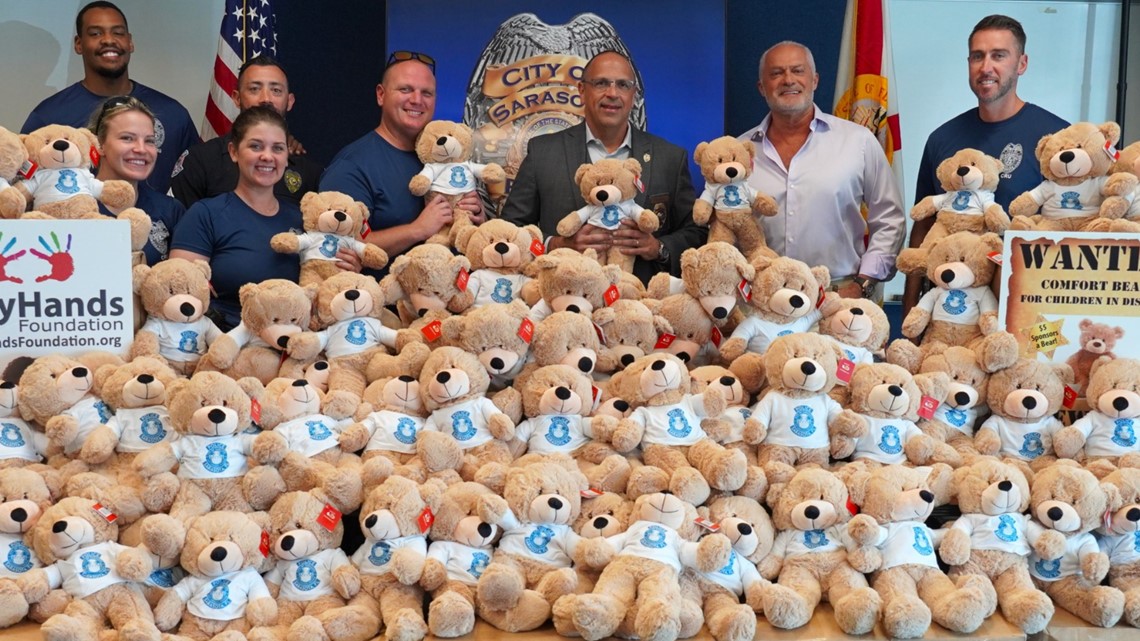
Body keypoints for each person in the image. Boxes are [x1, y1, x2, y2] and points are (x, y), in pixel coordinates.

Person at [903, 14, 1068, 314]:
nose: (985, 67)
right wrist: (909, 306)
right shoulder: (943, 138)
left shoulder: (1056, 140)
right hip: (948, 308)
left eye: (998, 56)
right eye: (977, 56)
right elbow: (923, 226)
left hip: (1026, 306)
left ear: (1022, 64)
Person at [500, 50, 701, 285]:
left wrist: (658, 248)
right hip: (565, 306)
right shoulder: (543, 152)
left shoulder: (670, 158)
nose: (612, 93)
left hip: (641, 309)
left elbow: (697, 234)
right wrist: (555, 244)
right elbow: (510, 230)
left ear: (633, 95)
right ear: (582, 91)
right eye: (601, 83)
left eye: (623, 85)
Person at [739, 41, 905, 301]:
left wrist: (863, 284)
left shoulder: (858, 142)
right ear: (762, 87)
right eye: (776, 73)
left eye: (797, 70)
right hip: (761, 302)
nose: (788, 80)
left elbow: (889, 219)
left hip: (838, 298)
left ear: (814, 80)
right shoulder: (738, 152)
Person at [170, 107, 358, 332]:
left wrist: (347, 270)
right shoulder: (205, 214)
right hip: (225, 341)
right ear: (233, 151)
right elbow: (181, 288)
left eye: (277, 148)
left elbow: (325, 282)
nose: (267, 156)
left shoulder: (305, 221)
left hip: (295, 341)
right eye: (255, 146)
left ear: (287, 156)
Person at [320, 51, 486, 270]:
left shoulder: (447, 156)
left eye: (426, 93)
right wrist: (416, 230)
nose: (417, 100)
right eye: (405, 89)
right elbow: (338, 248)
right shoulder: (352, 166)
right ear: (381, 95)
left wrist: (476, 218)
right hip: (382, 301)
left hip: (448, 296)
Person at [21, 1, 198, 194]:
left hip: (159, 222)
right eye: (96, 33)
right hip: (79, 222)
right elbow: (24, 190)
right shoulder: (48, 117)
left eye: (118, 33)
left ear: (130, 42)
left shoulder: (173, 114)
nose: (108, 40)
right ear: (79, 44)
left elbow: (197, 185)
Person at [170, 56, 322, 208]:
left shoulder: (310, 172)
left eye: (276, 90)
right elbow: (181, 225)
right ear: (236, 98)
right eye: (254, 89)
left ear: (289, 101)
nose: (266, 99)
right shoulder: (199, 161)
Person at [88, 95, 184, 265]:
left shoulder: (171, 210)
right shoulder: (70, 205)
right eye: (127, 138)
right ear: (98, 144)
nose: (141, 149)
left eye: (149, 141)